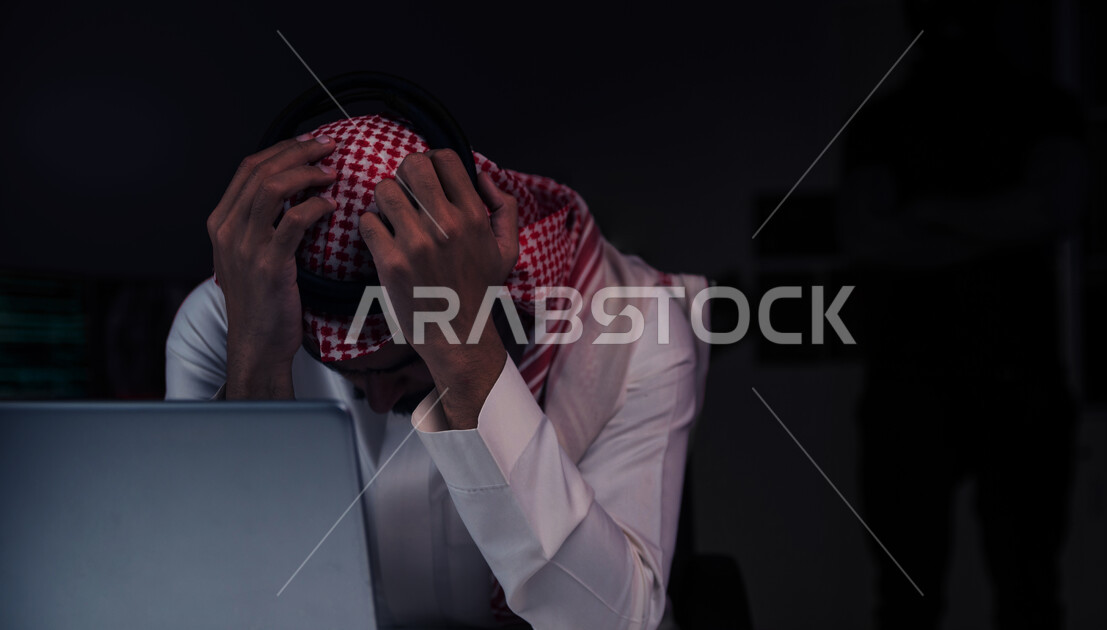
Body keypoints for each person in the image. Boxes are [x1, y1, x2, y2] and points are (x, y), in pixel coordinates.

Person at [166, 113, 711, 628]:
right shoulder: (230, 327)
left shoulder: (637, 335)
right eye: (347, 373)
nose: (379, 402)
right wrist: (256, 374)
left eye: (401, 366)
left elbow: (616, 621)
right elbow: (207, 597)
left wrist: (463, 352)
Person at [838, 2, 1085, 628]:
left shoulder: (1043, 108)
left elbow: (1054, 211)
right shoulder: (884, 123)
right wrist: (997, 223)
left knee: (1027, 591)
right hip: (916, 383)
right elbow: (868, 235)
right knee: (908, 599)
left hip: (1012, 379)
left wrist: (924, 213)